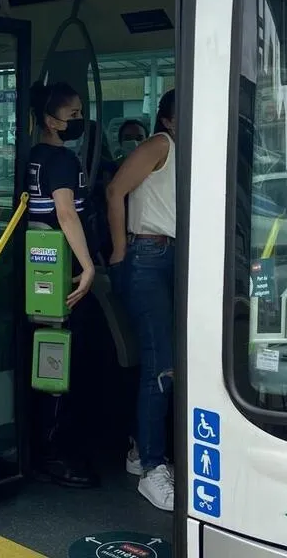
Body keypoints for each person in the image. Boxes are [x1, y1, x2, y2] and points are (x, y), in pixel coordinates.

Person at [26, 80, 100, 488]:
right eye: (72, 115)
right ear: (50, 121)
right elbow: (67, 213)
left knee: (47, 349)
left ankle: (44, 444)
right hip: (63, 268)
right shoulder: (61, 160)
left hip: (40, 263)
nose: (77, 122)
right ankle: (53, 450)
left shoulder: (32, 156)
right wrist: (87, 265)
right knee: (61, 356)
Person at [105, 89, 176, 511]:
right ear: (166, 120)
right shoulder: (160, 145)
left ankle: (140, 451)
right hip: (149, 255)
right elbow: (115, 190)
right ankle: (152, 467)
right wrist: (119, 250)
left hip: (168, 256)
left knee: (162, 360)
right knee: (159, 363)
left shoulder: (182, 147)